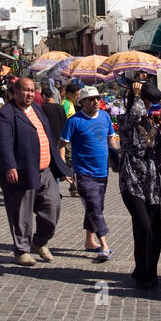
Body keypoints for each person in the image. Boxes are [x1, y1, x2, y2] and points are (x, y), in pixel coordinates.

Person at [0, 76, 71, 267]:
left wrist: (60, 165)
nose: (29, 94)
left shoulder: (36, 108)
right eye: (25, 90)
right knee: (21, 214)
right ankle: (21, 250)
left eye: (32, 90)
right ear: (16, 92)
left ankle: (39, 241)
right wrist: (10, 166)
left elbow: (47, 135)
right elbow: (3, 143)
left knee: (53, 208)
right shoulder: (6, 113)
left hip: (45, 170)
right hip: (22, 170)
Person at [118, 86, 161, 289]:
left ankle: (147, 272)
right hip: (132, 179)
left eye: (149, 102)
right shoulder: (126, 121)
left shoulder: (151, 123)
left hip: (151, 182)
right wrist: (137, 97)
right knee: (144, 226)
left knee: (153, 230)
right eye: (144, 102)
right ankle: (142, 270)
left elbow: (158, 151)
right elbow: (134, 116)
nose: (147, 106)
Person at [61, 86, 117, 261]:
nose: (95, 102)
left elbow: (111, 139)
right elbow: (62, 144)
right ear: (82, 102)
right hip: (83, 173)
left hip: (103, 172)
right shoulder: (74, 121)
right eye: (91, 99)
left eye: (97, 98)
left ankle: (88, 241)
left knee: (96, 207)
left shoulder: (105, 117)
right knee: (94, 207)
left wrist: (116, 161)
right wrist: (64, 168)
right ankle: (104, 245)